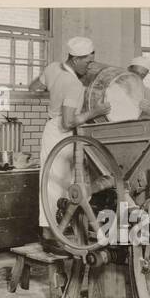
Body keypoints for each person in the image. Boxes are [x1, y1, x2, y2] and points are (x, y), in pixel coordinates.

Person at [34, 36, 112, 241]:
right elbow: (68, 122)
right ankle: (50, 235)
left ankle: (58, 229)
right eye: (87, 62)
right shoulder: (74, 85)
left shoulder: (52, 67)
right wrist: (95, 111)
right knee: (57, 184)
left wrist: (54, 95)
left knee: (55, 182)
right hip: (63, 132)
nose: (89, 67)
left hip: (51, 129)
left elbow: (35, 86)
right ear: (75, 59)